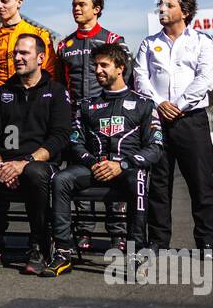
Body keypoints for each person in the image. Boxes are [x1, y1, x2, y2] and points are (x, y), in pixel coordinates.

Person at [0, 35, 71, 272]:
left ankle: (38, 246)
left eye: (24, 53)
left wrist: (25, 163)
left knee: (36, 173)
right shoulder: (2, 92)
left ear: (40, 58)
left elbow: (59, 137)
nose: (17, 58)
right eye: (15, 53)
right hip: (3, 164)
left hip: (37, 164)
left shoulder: (57, 91)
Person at [49, 44, 163, 276]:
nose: (97, 70)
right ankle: (62, 251)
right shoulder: (86, 105)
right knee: (60, 179)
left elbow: (155, 148)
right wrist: (93, 163)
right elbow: (75, 142)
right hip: (95, 167)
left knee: (139, 179)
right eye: (95, 66)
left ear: (120, 68)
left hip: (127, 169)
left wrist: (122, 165)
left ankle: (135, 252)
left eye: (104, 65)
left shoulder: (144, 104)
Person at [133, 0, 213, 253]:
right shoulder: (149, 43)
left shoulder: (202, 41)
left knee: (200, 183)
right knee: (158, 184)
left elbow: (205, 80)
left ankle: (206, 243)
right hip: (157, 121)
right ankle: (158, 241)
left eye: (169, 5)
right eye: (160, 5)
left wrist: (178, 106)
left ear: (185, 11)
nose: (162, 9)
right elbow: (139, 78)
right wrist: (160, 105)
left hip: (191, 121)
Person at [55, 0, 130, 251]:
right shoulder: (65, 45)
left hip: (110, 120)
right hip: (77, 121)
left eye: (82, 4)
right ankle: (84, 230)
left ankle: (118, 233)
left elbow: (125, 81)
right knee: (79, 175)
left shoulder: (113, 41)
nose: (76, 9)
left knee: (110, 174)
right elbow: (59, 84)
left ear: (96, 9)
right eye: (74, 4)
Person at [0, 0, 55, 94]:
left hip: (33, 99)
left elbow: (49, 72)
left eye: (4, 1)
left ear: (19, 2)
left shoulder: (40, 35)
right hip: (2, 102)